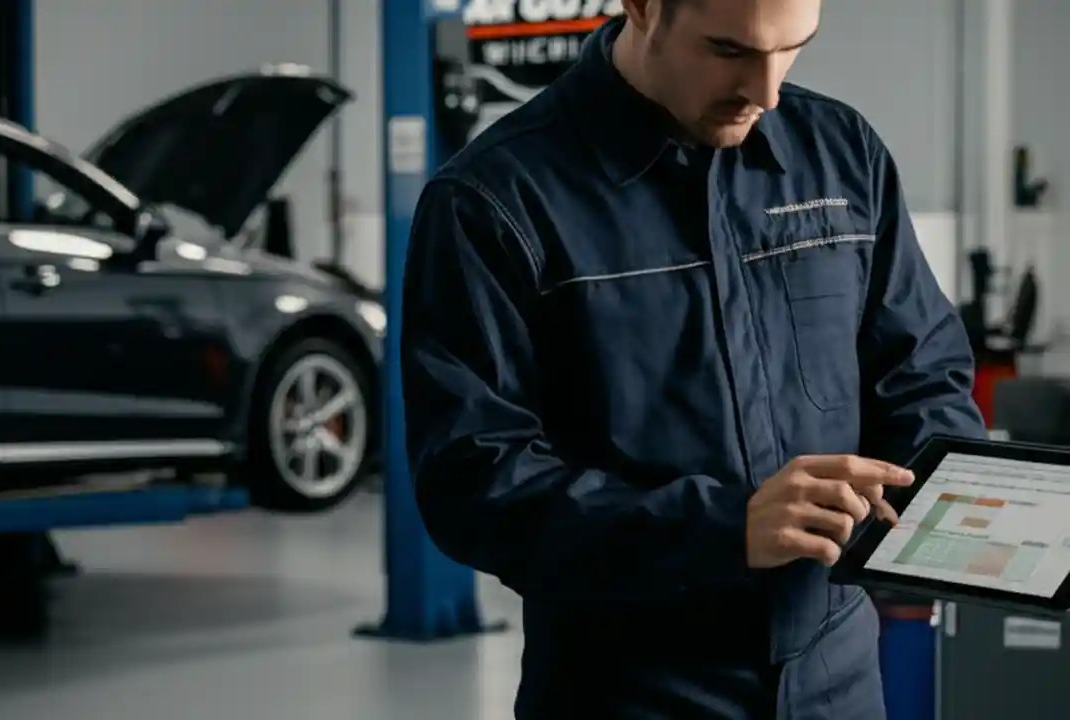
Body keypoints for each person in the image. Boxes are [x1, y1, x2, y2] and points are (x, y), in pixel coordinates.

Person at [399, 0, 988, 718]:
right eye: (729, 50)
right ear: (642, 7)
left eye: (794, 47)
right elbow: (473, 483)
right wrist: (725, 528)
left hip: (837, 683)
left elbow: (922, 373)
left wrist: (944, 508)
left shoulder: (842, 152)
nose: (766, 92)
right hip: (629, 692)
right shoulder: (496, 200)